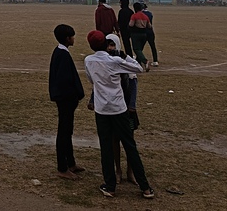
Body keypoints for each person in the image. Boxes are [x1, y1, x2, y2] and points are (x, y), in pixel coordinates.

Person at [84, 30, 154, 199]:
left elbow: (91, 80)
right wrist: (124, 56)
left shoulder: (88, 60)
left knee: (106, 148)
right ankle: (145, 187)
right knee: (130, 145)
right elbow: (138, 68)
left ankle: (110, 186)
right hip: (118, 109)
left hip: (102, 110)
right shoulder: (114, 61)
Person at [49, 24, 86, 180]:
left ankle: (70, 162)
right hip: (65, 99)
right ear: (67, 38)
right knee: (64, 132)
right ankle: (62, 167)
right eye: (72, 36)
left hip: (66, 98)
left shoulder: (61, 52)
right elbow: (64, 80)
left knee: (68, 130)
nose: (74, 39)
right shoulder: (62, 55)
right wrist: (74, 96)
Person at [105, 33, 139, 185]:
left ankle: (130, 171)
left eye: (112, 44)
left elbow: (133, 83)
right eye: (108, 45)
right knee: (114, 140)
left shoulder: (126, 61)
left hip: (127, 109)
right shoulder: (105, 61)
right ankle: (117, 169)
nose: (110, 48)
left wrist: (132, 105)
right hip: (112, 108)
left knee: (129, 139)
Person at [129, 3, 152, 72]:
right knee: (140, 51)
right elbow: (149, 26)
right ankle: (138, 65)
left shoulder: (134, 16)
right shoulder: (145, 16)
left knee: (136, 49)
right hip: (144, 34)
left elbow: (131, 24)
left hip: (136, 34)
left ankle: (145, 61)